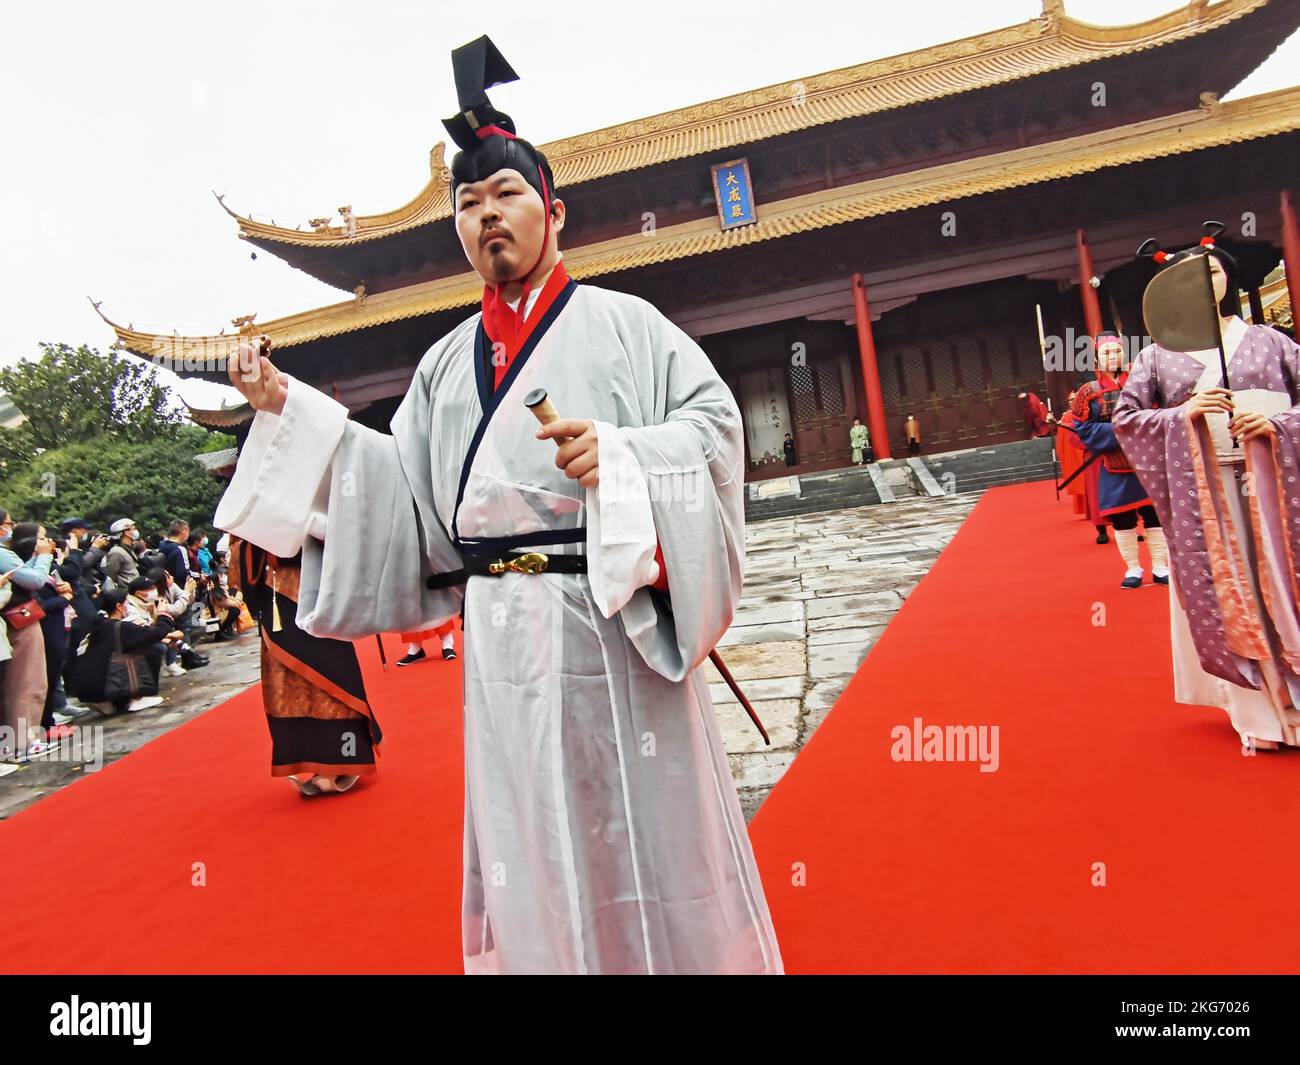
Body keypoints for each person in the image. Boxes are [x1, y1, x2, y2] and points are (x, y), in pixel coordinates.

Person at [216, 36, 782, 975]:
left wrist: (628, 458)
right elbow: (401, 493)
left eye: (507, 196)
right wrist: (294, 416)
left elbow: (714, 428)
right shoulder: (442, 367)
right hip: (503, 637)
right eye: (468, 205)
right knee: (532, 837)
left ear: (554, 213)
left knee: (641, 817)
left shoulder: (625, 326)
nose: (488, 218)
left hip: (609, 623)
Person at [1112, 222, 1300, 751]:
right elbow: (1126, 420)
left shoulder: (1271, 341)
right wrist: (1181, 415)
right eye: (1186, 274)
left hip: (1276, 485)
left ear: (1229, 278)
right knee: (1230, 588)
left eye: (1211, 269)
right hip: (1208, 490)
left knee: (1283, 584)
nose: (1202, 279)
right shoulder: (1155, 357)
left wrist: (1280, 426)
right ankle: (1257, 710)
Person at [229, 536, 379, 795]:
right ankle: (318, 762)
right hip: (283, 599)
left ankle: (343, 761)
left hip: (310, 596)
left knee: (330, 679)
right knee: (290, 688)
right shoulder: (256, 521)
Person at [1069, 332, 1169, 587]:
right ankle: (1133, 569)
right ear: (1096, 359)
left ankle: (1160, 565)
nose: (1112, 356)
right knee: (1122, 518)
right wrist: (1123, 429)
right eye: (1106, 352)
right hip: (1114, 464)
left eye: (1116, 351)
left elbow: (1159, 414)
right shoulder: (1088, 393)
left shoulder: (1143, 383)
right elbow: (1084, 428)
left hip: (1147, 461)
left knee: (1154, 514)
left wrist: (1141, 426)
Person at [65, 586, 176, 715]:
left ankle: (112, 703)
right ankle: (135, 697)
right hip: (108, 689)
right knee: (153, 649)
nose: (129, 606)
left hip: (88, 691)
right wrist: (162, 614)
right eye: (127, 603)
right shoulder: (121, 628)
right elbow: (157, 633)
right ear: (119, 606)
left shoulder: (100, 626)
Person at [0, 521, 54, 758]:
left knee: (27, 680)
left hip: (19, 619)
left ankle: (24, 738)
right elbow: (34, 580)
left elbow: (22, 574)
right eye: (7, 524)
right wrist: (44, 557)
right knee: (27, 681)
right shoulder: (1, 553)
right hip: (19, 621)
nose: (10, 528)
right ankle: (24, 741)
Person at [103, 518, 141, 591]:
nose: (136, 531)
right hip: (126, 592)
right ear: (126, 532)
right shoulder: (116, 552)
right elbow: (110, 576)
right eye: (134, 529)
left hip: (135, 590)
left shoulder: (130, 549)